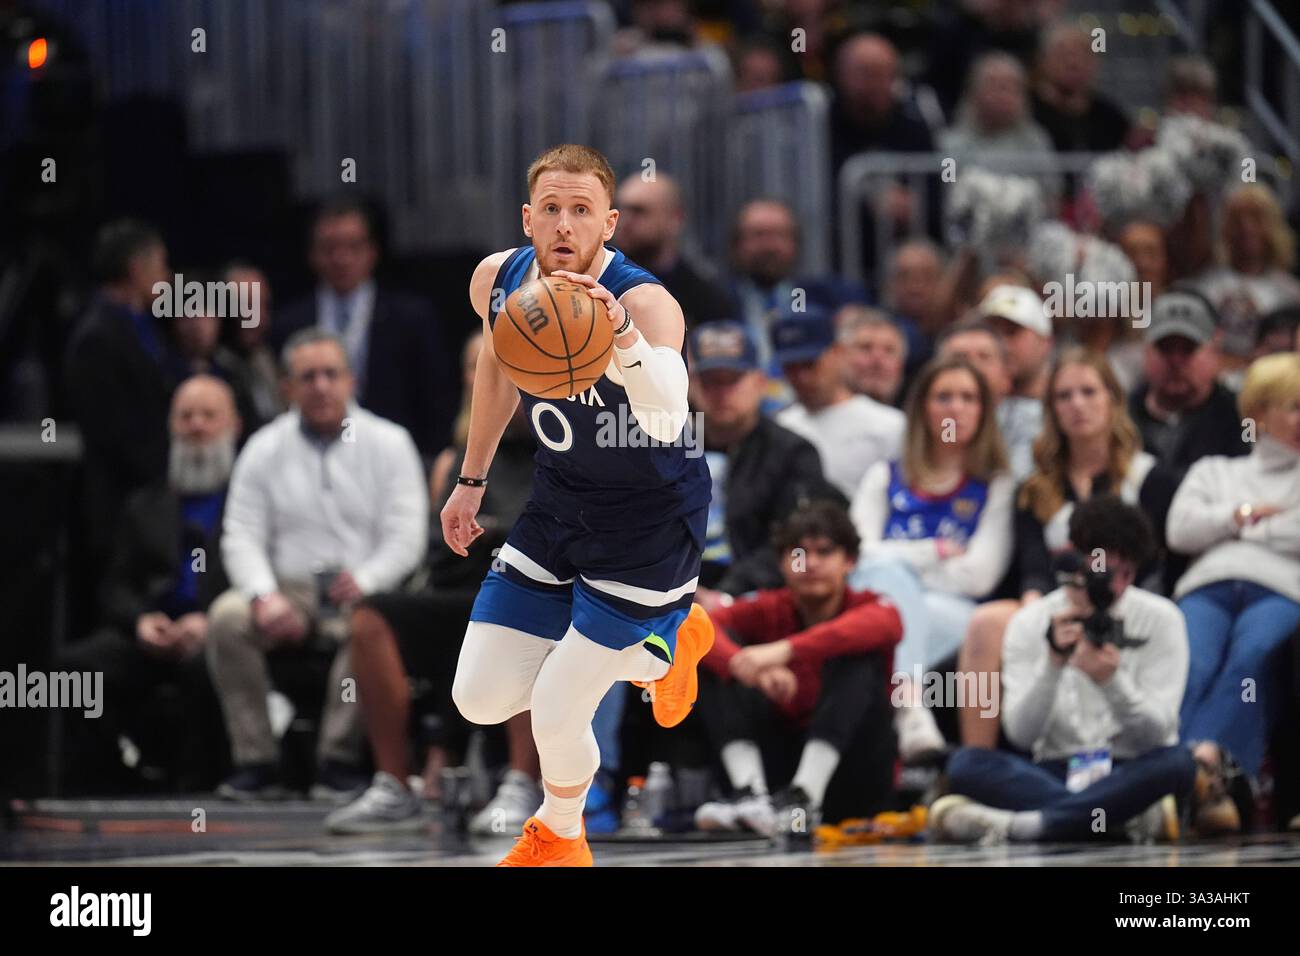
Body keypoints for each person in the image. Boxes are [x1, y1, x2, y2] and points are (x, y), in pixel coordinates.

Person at [442, 144, 716, 867]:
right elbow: (497, 365)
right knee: (478, 696)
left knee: (561, 705)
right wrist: (470, 481)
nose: (566, 225)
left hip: (651, 521)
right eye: (552, 210)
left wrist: (620, 338)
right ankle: (664, 651)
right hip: (561, 502)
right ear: (528, 219)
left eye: (583, 211)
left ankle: (560, 835)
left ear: (610, 224)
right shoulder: (497, 282)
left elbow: (664, 418)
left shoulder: (645, 301)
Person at [207, 329, 428, 801]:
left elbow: (406, 538)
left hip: (362, 585)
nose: (321, 386)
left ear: (351, 380)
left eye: (332, 374)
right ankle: (258, 761)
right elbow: (241, 534)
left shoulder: (390, 443)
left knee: (371, 623)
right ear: (287, 388)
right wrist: (263, 597)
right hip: (288, 589)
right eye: (308, 377)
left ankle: (337, 761)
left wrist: (366, 580)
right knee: (227, 618)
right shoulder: (263, 447)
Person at [930, 496, 1198, 845]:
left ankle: (1026, 826)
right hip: (1056, 769)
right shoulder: (1031, 621)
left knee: (1177, 762)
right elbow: (1022, 734)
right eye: (1104, 573)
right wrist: (1053, 664)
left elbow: (1157, 733)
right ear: (1076, 564)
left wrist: (1112, 682)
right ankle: (1118, 820)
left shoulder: (1163, 619)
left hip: (1128, 766)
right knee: (968, 764)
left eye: (1127, 575)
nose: (1114, 588)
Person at [957, 349, 1157, 747]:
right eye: (1064, 396)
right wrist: (1037, 609)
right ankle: (975, 759)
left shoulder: (1148, 476)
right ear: (1051, 409)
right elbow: (1032, 565)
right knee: (986, 623)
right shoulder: (1035, 487)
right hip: (1055, 598)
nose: (1077, 405)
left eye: (1088, 392)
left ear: (1114, 400)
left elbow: (1153, 561)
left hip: (1128, 598)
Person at [58, 375, 239, 793]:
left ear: (234, 425)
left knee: (207, 666)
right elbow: (115, 588)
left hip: (219, 631)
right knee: (77, 668)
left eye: (209, 416)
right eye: (185, 416)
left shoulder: (249, 503)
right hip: (152, 634)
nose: (196, 425)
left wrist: (209, 621)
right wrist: (141, 622)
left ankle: (196, 789)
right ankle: (110, 782)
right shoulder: (145, 504)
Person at [693, 502, 902, 835]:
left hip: (853, 777)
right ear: (781, 562)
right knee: (713, 659)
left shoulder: (871, 604)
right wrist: (743, 665)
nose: (811, 563)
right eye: (799, 553)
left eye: (825, 551)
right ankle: (751, 795)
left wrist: (783, 651)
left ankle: (806, 797)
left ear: (850, 562)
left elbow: (885, 624)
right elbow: (698, 622)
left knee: (858, 654)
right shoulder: (770, 606)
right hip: (780, 767)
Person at [849, 356, 1015, 762]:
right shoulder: (884, 476)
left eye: (968, 398)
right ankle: (910, 711)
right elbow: (853, 557)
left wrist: (899, 571)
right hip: (883, 602)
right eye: (943, 397)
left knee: (890, 587)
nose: (955, 408)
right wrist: (932, 553)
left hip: (956, 614)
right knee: (884, 582)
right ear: (923, 407)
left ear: (983, 411)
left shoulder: (996, 485)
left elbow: (978, 577)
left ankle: (906, 706)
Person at [1168, 353, 1300, 794]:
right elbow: (1180, 530)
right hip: (1208, 586)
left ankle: (1196, 763)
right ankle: (1181, 771)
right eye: (1295, 406)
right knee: (1192, 661)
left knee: (1252, 655)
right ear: (1259, 413)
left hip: (1280, 588)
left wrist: (1233, 528)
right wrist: (1244, 514)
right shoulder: (1215, 471)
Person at [275, 196, 458, 459]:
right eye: (329, 247)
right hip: (306, 458)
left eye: (353, 246)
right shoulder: (288, 324)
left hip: (395, 459)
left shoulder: (412, 320)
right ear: (313, 254)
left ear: (372, 251)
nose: (341, 258)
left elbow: (435, 404)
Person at [687, 320, 839, 601]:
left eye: (732, 380)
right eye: (710, 382)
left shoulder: (793, 453)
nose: (721, 393)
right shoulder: (663, 446)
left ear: (760, 383)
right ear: (691, 385)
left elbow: (797, 542)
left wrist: (727, 595)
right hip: (669, 591)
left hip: (757, 598)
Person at [65, 219, 174, 570]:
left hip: (146, 503)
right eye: (161, 265)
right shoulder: (97, 337)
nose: (167, 277)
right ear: (136, 268)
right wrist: (166, 475)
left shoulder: (141, 326)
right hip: (121, 511)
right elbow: (114, 433)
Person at [1129, 289, 1252, 591]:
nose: (1176, 361)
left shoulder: (1243, 418)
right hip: (1132, 561)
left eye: (1188, 349)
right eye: (1165, 348)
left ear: (1215, 349)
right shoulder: (1119, 416)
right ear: (1145, 352)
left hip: (1214, 564)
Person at [771, 309, 905, 499]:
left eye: (810, 364)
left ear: (838, 353)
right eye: (791, 368)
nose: (802, 377)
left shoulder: (890, 425)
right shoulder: (778, 427)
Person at [613, 172, 737, 329]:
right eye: (621, 210)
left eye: (639, 211)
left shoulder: (706, 299)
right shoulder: (598, 283)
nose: (624, 221)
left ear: (675, 218)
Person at [1194, 184, 1300, 365]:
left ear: (1273, 227)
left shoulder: (1292, 294)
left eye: (1256, 217)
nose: (1246, 227)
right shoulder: (1203, 288)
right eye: (1237, 219)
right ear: (1225, 227)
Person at [936, 316, 1042, 484]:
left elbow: (1022, 481)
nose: (973, 366)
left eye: (984, 357)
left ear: (1006, 375)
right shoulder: (927, 421)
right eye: (959, 358)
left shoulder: (1038, 419)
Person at [1030, 22, 1131, 153]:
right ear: (1042, 60)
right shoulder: (1025, 112)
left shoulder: (1111, 118)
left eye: (1083, 54)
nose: (1074, 63)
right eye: (1063, 54)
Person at [835, 305, 908, 407]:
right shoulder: (809, 420)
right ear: (839, 356)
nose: (878, 360)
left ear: (901, 366)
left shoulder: (906, 421)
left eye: (889, 351)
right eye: (865, 348)